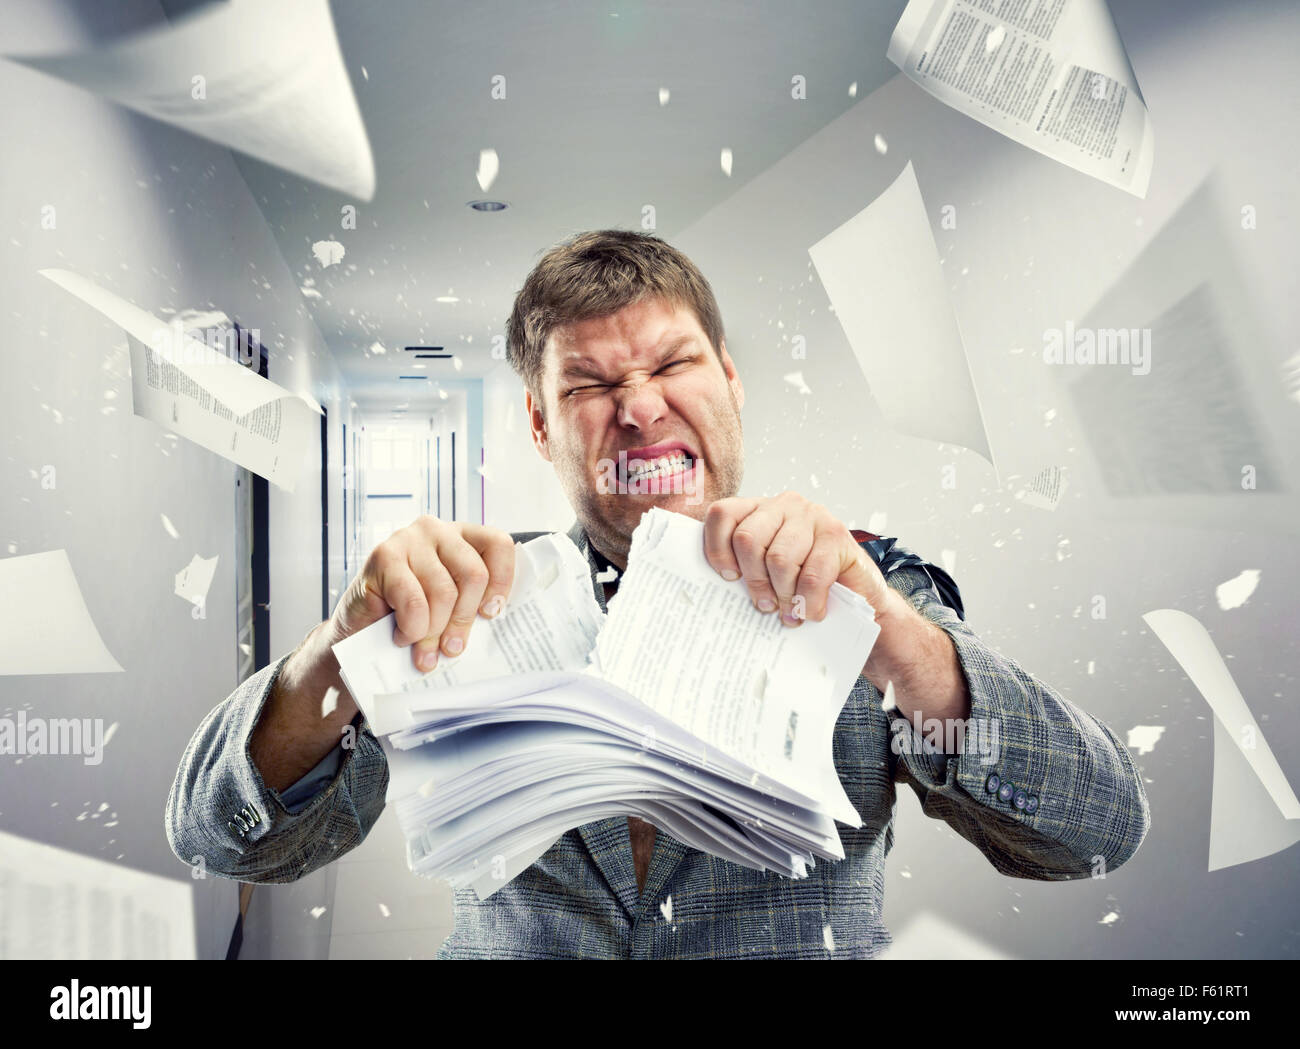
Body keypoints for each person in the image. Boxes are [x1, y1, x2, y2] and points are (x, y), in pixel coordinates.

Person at [166, 229, 1150, 959]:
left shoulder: (868, 587)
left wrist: (896, 640)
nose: (638, 407)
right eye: (588, 385)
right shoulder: (465, 602)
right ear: (542, 427)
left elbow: (1094, 833)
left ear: (727, 379)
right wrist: (337, 653)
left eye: (673, 363)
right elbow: (215, 834)